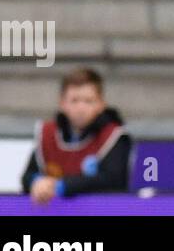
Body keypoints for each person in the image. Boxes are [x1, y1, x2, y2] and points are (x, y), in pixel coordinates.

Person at [21, 67, 132, 204]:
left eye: (88, 101)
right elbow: (27, 177)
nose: (81, 108)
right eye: (74, 100)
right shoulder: (48, 135)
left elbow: (112, 180)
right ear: (62, 104)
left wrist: (63, 186)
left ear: (101, 105)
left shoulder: (114, 137)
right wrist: (37, 183)